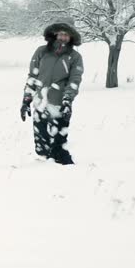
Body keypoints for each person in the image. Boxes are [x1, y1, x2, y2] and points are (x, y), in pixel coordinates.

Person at [20, 21, 84, 165]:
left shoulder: (74, 57)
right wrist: (26, 100)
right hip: (40, 103)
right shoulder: (41, 52)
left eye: (66, 35)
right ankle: (46, 169)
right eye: (60, 34)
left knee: (59, 144)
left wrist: (67, 101)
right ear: (54, 35)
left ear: (71, 38)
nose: (63, 37)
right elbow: (32, 76)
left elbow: (74, 80)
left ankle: (66, 170)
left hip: (59, 104)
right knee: (41, 146)